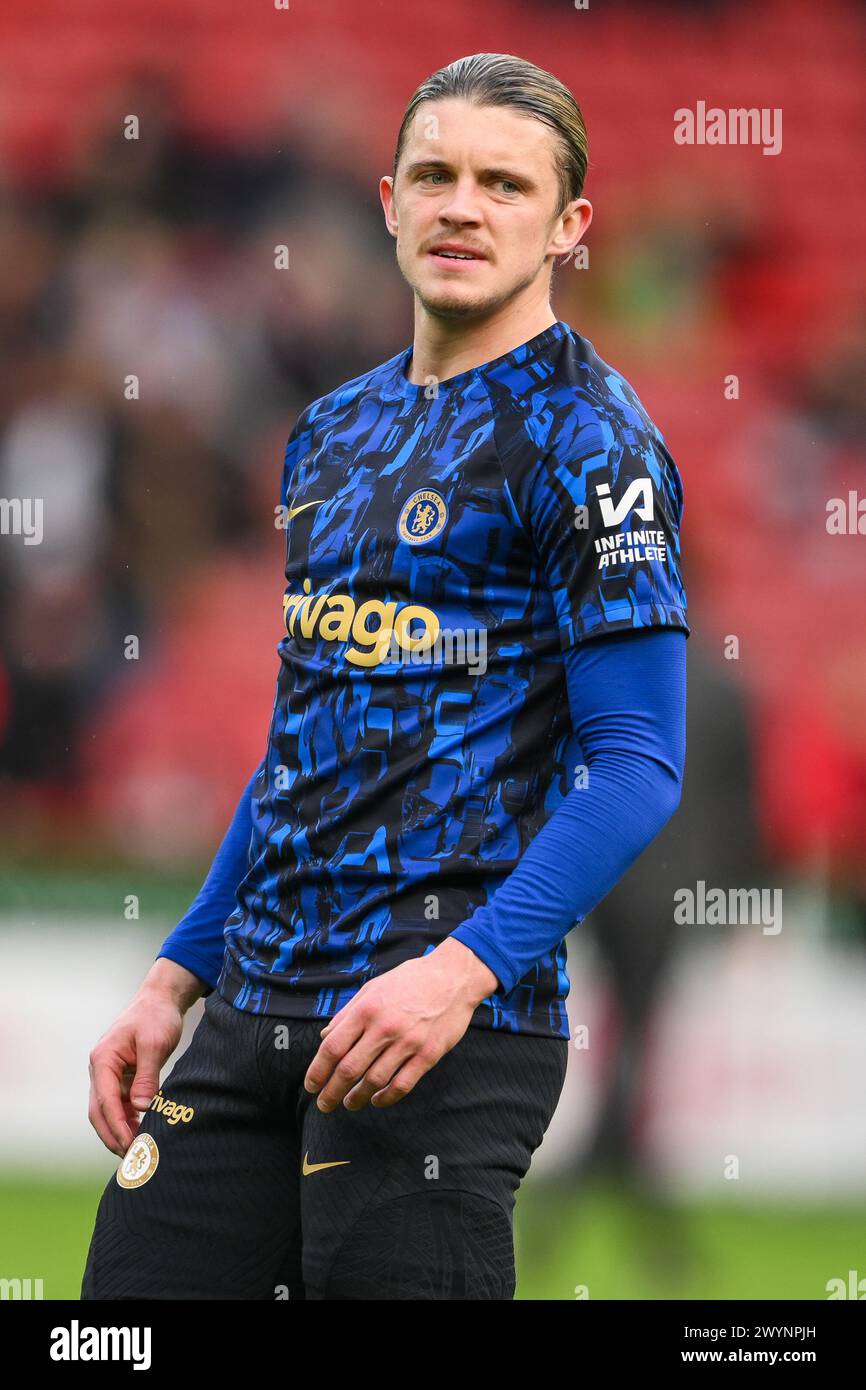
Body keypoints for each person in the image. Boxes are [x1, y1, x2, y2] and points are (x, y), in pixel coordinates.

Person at [82, 51, 689, 1301]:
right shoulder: (331, 429)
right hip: (253, 1007)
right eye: (435, 175)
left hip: (433, 1029)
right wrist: (174, 973)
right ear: (387, 201)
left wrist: (456, 973)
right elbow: (301, 746)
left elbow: (636, 766)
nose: (461, 206)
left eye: (502, 185)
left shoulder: (594, 443)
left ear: (568, 225)